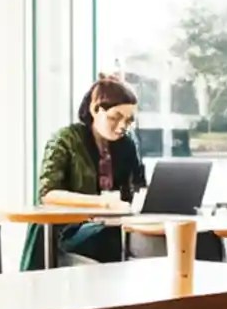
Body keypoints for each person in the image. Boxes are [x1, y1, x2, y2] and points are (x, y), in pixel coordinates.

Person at [20, 75, 146, 270]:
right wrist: (104, 203)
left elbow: (138, 186)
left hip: (111, 224)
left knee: (139, 238)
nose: (122, 126)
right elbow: (49, 195)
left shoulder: (127, 145)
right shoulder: (65, 139)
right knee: (111, 239)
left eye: (129, 120)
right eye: (115, 118)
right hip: (67, 230)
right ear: (95, 110)